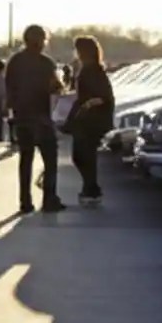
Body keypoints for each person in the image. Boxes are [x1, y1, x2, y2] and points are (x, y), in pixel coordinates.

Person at [6, 24, 65, 213]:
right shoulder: (46, 63)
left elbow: (9, 88)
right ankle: (49, 199)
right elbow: (56, 87)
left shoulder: (14, 61)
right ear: (42, 41)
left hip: (22, 116)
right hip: (42, 117)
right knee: (50, 160)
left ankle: (25, 201)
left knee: (26, 159)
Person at [65, 35, 114, 205]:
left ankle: (91, 190)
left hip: (91, 120)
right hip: (87, 119)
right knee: (83, 156)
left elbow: (103, 96)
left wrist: (87, 105)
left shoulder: (92, 70)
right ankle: (91, 188)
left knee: (83, 155)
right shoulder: (87, 68)